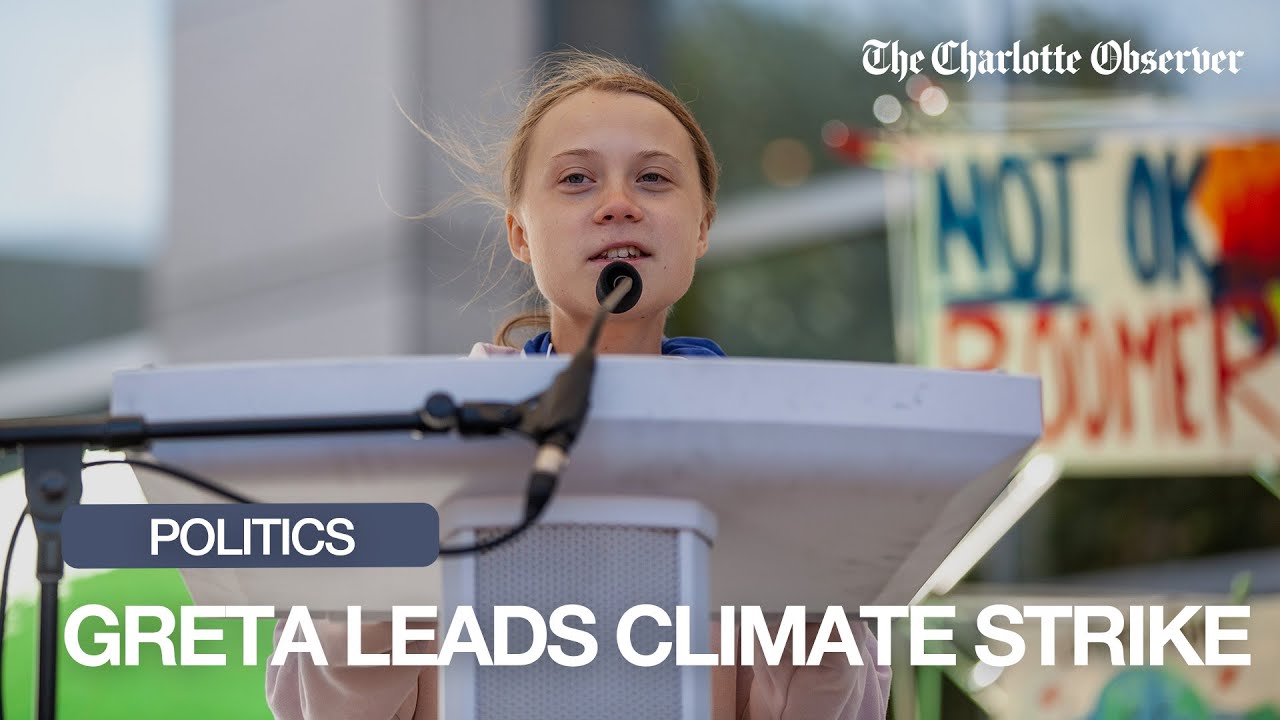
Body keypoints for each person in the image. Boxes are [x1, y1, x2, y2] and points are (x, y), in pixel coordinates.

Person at [266, 50, 891, 720]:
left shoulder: (782, 446)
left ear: (703, 225)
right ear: (518, 233)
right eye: (575, 180)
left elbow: (832, 709)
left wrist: (806, 567)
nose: (618, 205)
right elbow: (321, 705)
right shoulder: (420, 435)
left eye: (653, 178)